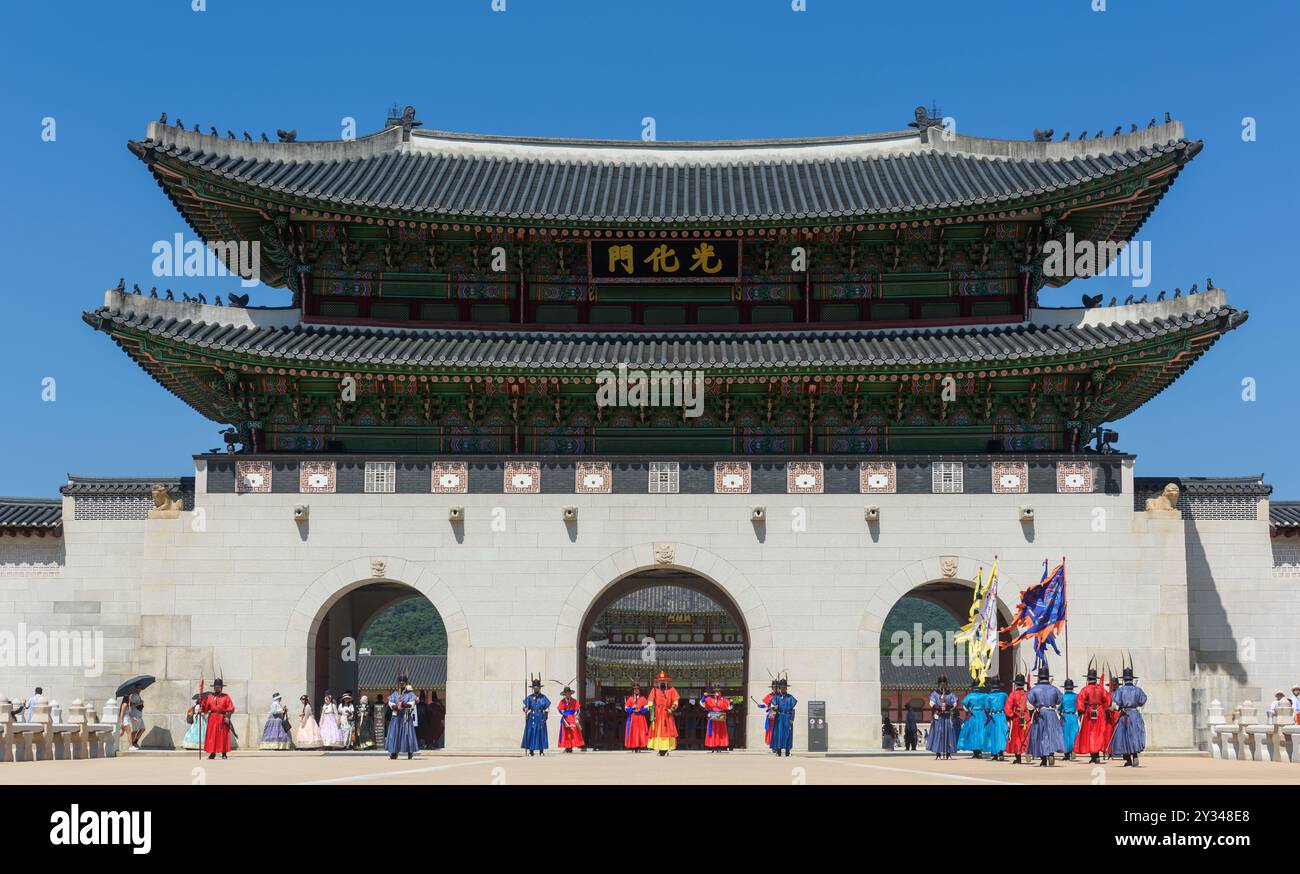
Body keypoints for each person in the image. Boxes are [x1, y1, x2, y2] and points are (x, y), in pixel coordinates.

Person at [1109, 662, 1148, 767]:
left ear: (1124, 679)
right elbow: (1142, 701)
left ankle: (1128, 759)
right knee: (1134, 735)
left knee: (1123, 736)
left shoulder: (1120, 691)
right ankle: (1135, 755)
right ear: (1131, 678)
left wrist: (1111, 709)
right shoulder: (1138, 690)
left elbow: (1115, 705)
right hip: (1134, 714)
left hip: (1124, 714)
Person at [1073, 665, 1112, 764]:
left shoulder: (1085, 689)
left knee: (1090, 734)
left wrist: (1081, 711)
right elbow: (1107, 699)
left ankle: (1094, 756)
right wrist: (1104, 707)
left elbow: (1080, 700)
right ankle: (1096, 754)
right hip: (1099, 712)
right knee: (1098, 733)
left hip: (1089, 713)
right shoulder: (1101, 689)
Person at [1026, 666, 1064, 767]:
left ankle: (1043, 759)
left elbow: (1029, 704)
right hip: (1052, 713)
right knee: (1051, 734)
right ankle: (1051, 753)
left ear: (1039, 677)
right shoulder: (1054, 689)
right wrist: (1054, 706)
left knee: (1041, 735)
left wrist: (1034, 708)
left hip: (1041, 713)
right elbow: (1060, 701)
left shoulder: (1035, 690)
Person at [646, 670, 680, 757]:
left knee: (668, 730)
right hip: (657, 714)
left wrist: (671, 709)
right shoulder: (654, 690)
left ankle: (666, 748)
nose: (662, 682)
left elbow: (675, 702)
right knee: (658, 730)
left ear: (667, 682)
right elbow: (650, 702)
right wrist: (652, 712)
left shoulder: (672, 690)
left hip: (668, 713)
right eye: (660, 681)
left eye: (664, 681)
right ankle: (660, 749)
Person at [201, 678, 235, 760]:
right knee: (212, 736)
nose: (217, 688)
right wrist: (201, 708)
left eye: (219, 687)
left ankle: (224, 753)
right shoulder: (210, 697)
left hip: (221, 717)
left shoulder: (226, 697)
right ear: (214, 687)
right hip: (212, 718)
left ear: (221, 688)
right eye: (216, 687)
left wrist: (227, 716)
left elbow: (231, 708)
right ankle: (212, 753)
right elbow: (206, 708)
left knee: (222, 735)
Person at [386, 679, 419, 760]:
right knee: (394, 734)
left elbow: (412, 704)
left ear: (406, 684)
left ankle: (410, 752)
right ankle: (394, 752)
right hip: (396, 717)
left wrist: (403, 705)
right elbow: (390, 703)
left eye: (403, 683)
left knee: (408, 734)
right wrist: (396, 707)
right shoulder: (394, 694)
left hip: (405, 716)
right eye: (400, 683)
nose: (401, 684)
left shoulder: (410, 694)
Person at [926, 675, 957, 760]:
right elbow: (931, 703)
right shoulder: (934, 694)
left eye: (944, 684)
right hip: (938, 716)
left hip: (947, 716)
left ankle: (948, 752)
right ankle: (938, 752)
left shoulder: (950, 694)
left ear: (946, 684)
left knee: (948, 733)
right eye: (941, 684)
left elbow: (955, 703)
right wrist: (937, 707)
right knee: (938, 733)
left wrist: (948, 706)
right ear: (938, 684)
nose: (943, 685)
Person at [956, 679, 986, 758]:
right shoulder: (984, 695)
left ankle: (975, 752)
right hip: (982, 715)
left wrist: (969, 709)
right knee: (981, 733)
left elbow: (964, 707)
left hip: (973, 715)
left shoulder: (969, 695)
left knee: (973, 733)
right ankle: (980, 751)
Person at [1004, 674, 1030, 764]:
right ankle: (1028, 751)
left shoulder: (1013, 694)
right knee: (1026, 736)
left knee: (1017, 738)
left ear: (1016, 684)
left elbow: (1008, 707)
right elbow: (1031, 706)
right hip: (1026, 717)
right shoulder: (1027, 694)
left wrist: (1010, 716)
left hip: (1017, 717)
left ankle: (1018, 758)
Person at [521, 677, 550, 756]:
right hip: (532, 717)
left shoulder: (543, 697)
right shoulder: (530, 697)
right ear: (533, 688)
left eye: (537, 687)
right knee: (531, 732)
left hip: (540, 717)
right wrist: (525, 709)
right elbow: (524, 706)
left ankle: (541, 751)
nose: (536, 688)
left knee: (541, 733)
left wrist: (545, 717)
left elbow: (547, 708)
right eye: (534, 687)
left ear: (540, 688)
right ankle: (531, 751)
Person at [768, 678, 797, 757]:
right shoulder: (776, 697)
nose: (783, 688)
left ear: (786, 688)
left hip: (788, 717)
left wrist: (792, 719)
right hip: (779, 717)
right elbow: (771, 707)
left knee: (788, 734)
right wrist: (774, 708)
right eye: (781, 687)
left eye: (784, 687)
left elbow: (793, 709)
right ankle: (778, 750)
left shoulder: (790, 697)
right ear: (779, 688)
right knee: (779, 733)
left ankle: (788, 750)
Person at [982, 678, 1009, 761]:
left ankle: (994, 754)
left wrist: (988, 714)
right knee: (1001, 734)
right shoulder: (1004, 695)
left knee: (993, 735)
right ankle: (1001, 753)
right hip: (1001, 715)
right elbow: (1007, 705)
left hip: (992, 716)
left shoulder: (988, 696)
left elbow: (986, 708)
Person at [702, 683, 732, 752]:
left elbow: (729, 706)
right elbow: (702, 702)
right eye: (715, 691)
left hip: (720, 717)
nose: (717, 692)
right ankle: (712, 746)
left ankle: (719, 746)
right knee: (713, 731)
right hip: (712, 717)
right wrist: (704, 696)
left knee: (720, 732)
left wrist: (731, 702)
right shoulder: (709, 698)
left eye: (718, 691)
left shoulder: (723, 699)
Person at [118, 682, 146, 751]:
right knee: (129, 732)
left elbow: (129, 713)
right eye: (129, 696)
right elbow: (121, 713)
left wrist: (133, 717)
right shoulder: (124, 704)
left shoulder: (127, 704)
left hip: (126, 720)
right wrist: (121, 722)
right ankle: (131, 746)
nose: (130, 697)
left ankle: (113, 739)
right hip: (124, 720)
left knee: (121, 733)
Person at [557, 686, 585, 752]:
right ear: (564, 694)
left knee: (572, 732)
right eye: (566, 694)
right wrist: (562, 712)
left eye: (568, 693)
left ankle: (571, 746)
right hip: (565, 718)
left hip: (572, 718)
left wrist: (576, 714)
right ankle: (567, 746)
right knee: (566, 733)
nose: (567, 695)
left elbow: (578, 709)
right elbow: (559, 709)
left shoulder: (574, 701)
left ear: (570, 694)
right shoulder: (562, 701)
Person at [623, 683, 649, 751]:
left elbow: (647, 708)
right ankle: (633, 745)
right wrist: (632, 708)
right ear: (633, 690)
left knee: (640, 732)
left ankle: (640, 745)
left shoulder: (643, 698)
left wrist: (640, 710)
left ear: (639, 690)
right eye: (635, 689)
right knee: (633, 732)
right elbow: (626, 708)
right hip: (632, 718)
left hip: (640, 718)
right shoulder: (630, 699)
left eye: (637, 689)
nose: (636, 690)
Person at [1060, 679, 1080, 760]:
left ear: (1065, 688)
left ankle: (1066, 754)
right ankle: (1073, 751)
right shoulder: (1077, 696)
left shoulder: (1063, 697)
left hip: (1065, 717)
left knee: (1065, 735)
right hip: (1074, 716)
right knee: (1073, 734)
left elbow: (1060, 708)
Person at [760, 680, 778, 751]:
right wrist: (760, 706)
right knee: (771, 730)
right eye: (773, 687)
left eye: (776, 687)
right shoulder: (769, 696)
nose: (775, 689)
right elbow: (765, 705)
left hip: (779, 715)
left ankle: (777, 745)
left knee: (777, 730)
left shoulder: (780, 696)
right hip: (771, 715)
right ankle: (772, 745)